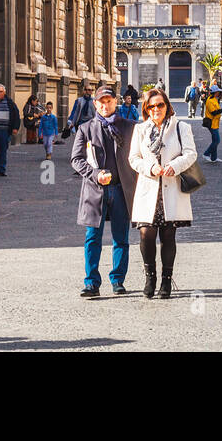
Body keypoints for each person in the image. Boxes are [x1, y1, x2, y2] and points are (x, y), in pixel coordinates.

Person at [128, 87, 196, 299]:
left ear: (167, 106)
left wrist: (173, 166)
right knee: (146, 234)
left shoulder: (181, 127)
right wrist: (150, 169)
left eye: (160, 105)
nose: (156, 109)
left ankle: (166, 281)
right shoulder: (141, 130)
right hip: (149, 189)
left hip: (171, 187)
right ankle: (150, 276)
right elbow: (134, 158)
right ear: (146, 109)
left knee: (168, 235)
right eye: (151, 106)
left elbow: (191, 153)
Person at [71, 86, 139, 298]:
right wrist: (95, 174)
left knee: (121, 238)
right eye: (101, 101)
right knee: (92, 237)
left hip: (121, 189)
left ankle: (118, 279)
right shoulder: (86, 129)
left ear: (115, 102)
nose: (105, 105)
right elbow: (76, 160)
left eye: (109, 101)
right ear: (95, 103)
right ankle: (91, 282)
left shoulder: (129, 127)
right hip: (95, 190)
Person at [202, 86, 222, 163]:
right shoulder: (210, 100)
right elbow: (213, 112)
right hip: (212, 123)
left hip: (215, 122)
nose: (219, 93)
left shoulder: (214, 99)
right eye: (218, 92)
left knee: (215, 140)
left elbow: (217, 110)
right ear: (214, 92)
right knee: (217, 140)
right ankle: (206, 154)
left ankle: (214, 158)